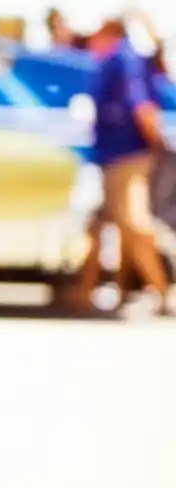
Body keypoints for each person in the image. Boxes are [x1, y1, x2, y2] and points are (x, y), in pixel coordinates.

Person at [82, 17, 170, 316]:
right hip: (114, 155)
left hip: (127, 156)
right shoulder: (116, 59)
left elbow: (142, 107)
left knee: (134, 224)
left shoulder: (123, 58)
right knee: (114, 226)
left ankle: (161, 289)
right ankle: (105, 292)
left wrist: (156, 142)